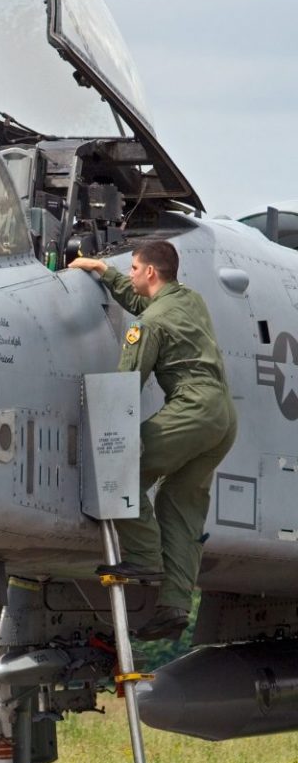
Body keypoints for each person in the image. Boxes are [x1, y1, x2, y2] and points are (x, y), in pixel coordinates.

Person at [69, 240, 238, 640]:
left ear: (149, 272)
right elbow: (141, 298)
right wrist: (102, 270)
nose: (128, 274)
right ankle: (175, 605)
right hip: (223, 420)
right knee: (180, 505)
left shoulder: (147, 326)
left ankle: (144, 558)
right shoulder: (187, 300)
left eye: (131, 268)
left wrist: (104, 428)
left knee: (122, 472)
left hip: (192, 411)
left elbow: (125, 385)